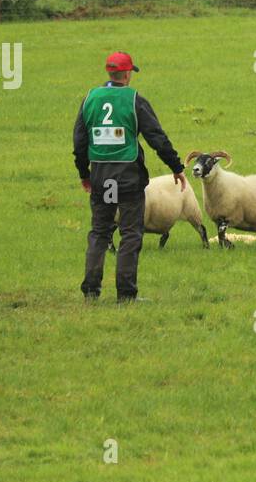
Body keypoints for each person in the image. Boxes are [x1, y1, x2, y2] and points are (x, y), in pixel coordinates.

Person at [73, 51, 185, 301]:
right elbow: (157, 137)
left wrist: (84, 173)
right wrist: (176, 167)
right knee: (131, 234)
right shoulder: (135, 100)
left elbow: (80, 141)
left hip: (102, 178)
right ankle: (126, 294)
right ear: (126, 74)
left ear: (109, 73)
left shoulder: (89, 98)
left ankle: (91, 291)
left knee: (100, 233)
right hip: (128, 179)